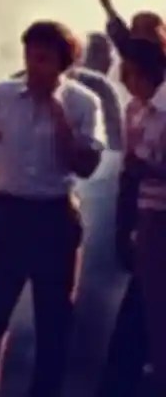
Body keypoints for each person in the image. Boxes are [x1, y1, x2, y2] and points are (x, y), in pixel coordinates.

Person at [0, 20, 105, 397]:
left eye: (42, 58)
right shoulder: (3, 93)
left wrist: (58, 115)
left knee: (54, 322)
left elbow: (86, 165)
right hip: (6, 211)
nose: (34, 66)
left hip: (53, 214)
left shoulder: (83, 102)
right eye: (29, 56)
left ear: (63, 62)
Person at [119, 37, 166, 394]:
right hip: (149, 216)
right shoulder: (135, 110)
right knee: (154, 309)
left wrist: (148, 169)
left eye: (131, 73)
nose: (123, 80)